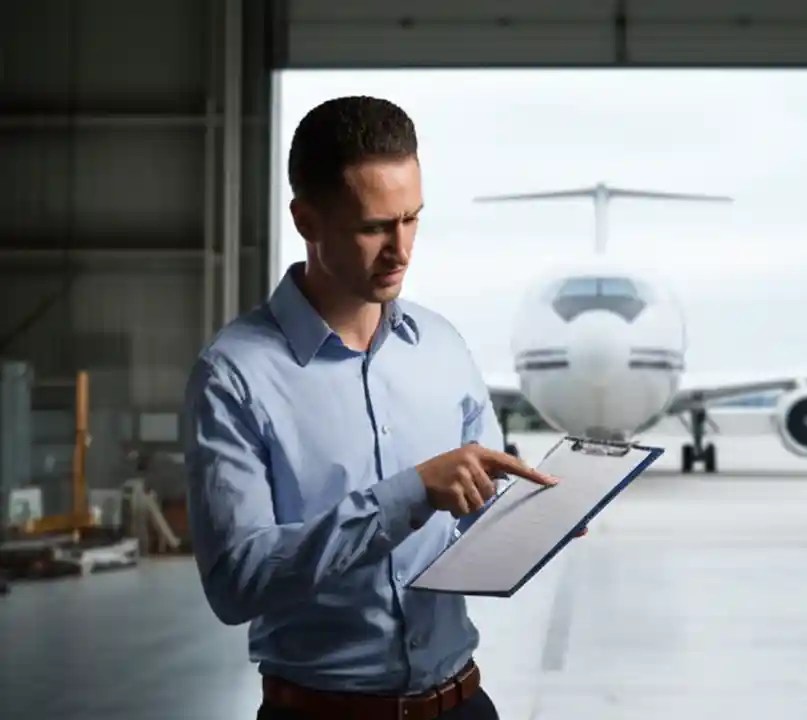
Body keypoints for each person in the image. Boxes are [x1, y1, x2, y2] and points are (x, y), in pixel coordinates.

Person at [181, 95, 577, 720]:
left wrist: (541, 519)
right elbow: (237, 583)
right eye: (373, 228)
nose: (401, 250)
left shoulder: (442, 346)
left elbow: (478, 512)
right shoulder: (235, 375)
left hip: (464, 704)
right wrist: (411, 494)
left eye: (412, 219)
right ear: (307, 220)